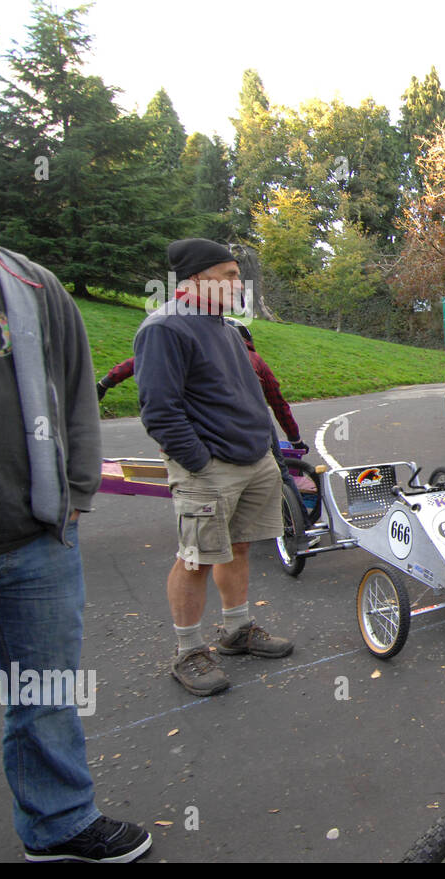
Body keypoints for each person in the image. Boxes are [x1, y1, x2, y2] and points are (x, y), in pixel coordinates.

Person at [0, 244, 152, 862]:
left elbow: (78, 388)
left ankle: (58, 823)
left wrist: (79, 487)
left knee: (45, 692)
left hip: (33, 538)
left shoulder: (31, 285)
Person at [134, 238, 293, 698]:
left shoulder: (224, 326)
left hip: (253, 460)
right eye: (227, 275)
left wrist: (270, 453)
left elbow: (248, 394)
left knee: (238, 547)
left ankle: (236, 630)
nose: (236, 283)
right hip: (209, 468)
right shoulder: (165, 328)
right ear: (197, 279)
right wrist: (199, 463)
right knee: (196, 558)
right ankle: (188, 651)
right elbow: (159, 410)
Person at [98, 323, 307, 453]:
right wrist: (295, 439)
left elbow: (137, 362)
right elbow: (278, 402)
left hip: (202, 429)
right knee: (279, 473)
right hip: (252, 426)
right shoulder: (254, 359)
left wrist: (105, 383)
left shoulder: (191, 347)